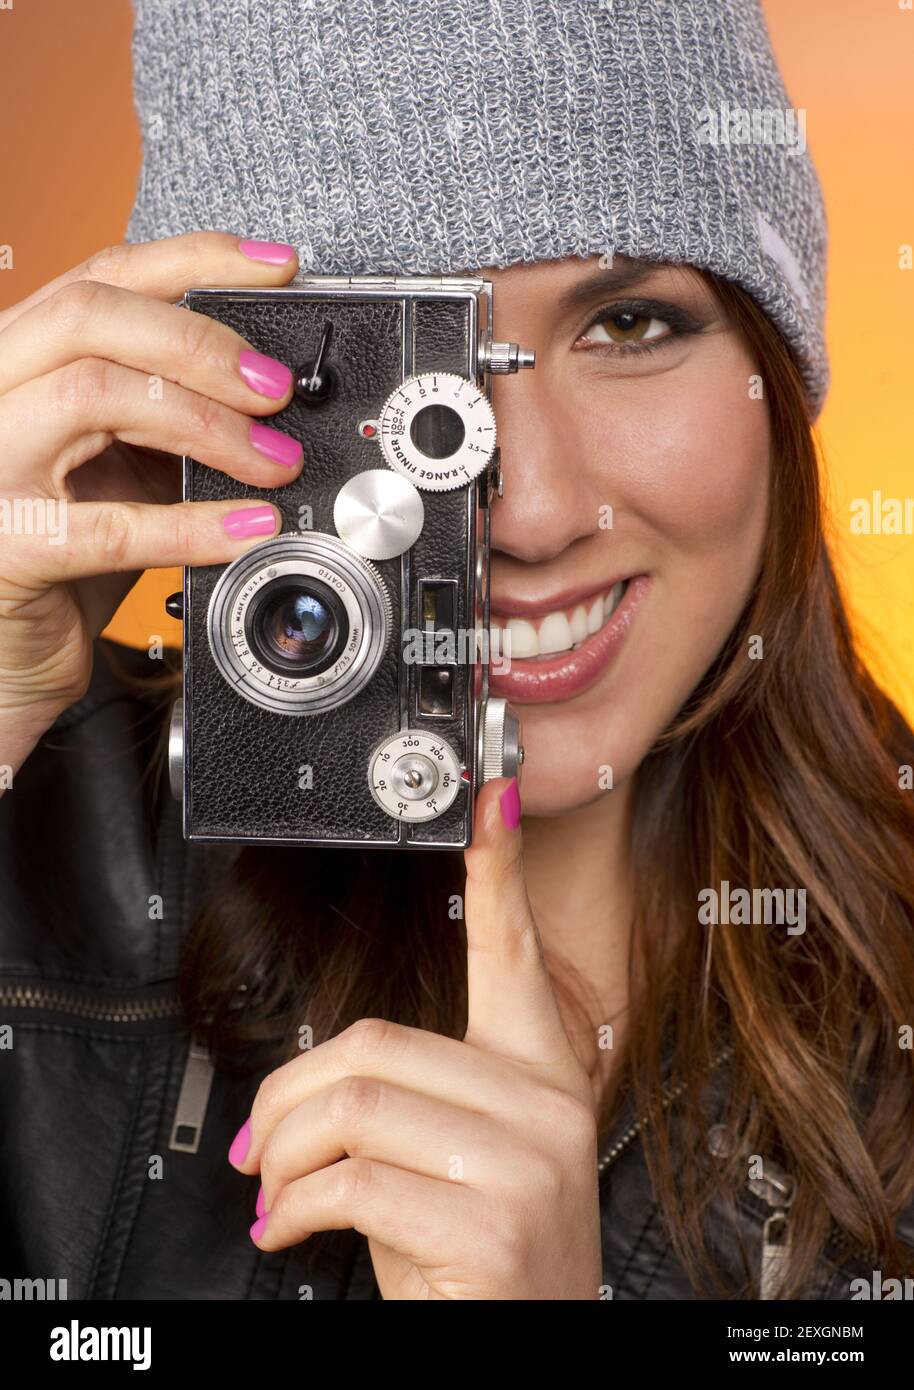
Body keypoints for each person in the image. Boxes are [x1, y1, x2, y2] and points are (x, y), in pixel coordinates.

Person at [1, 0, 912, 1301]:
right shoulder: (36, 815)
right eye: (380, 368)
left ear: (774, 365)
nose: (528, 510)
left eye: (628, 325)